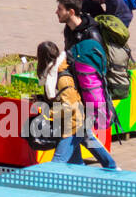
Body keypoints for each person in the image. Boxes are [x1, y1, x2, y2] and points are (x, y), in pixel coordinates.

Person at [33, 40, 118, 170]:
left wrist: (48, 113)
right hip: (76, 120)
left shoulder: (62, 78)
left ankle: (111, 167)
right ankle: (111, 167)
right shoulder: (55, 73)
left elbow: (69, 106)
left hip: (72, 123)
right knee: (80, 156)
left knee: (58, 162)